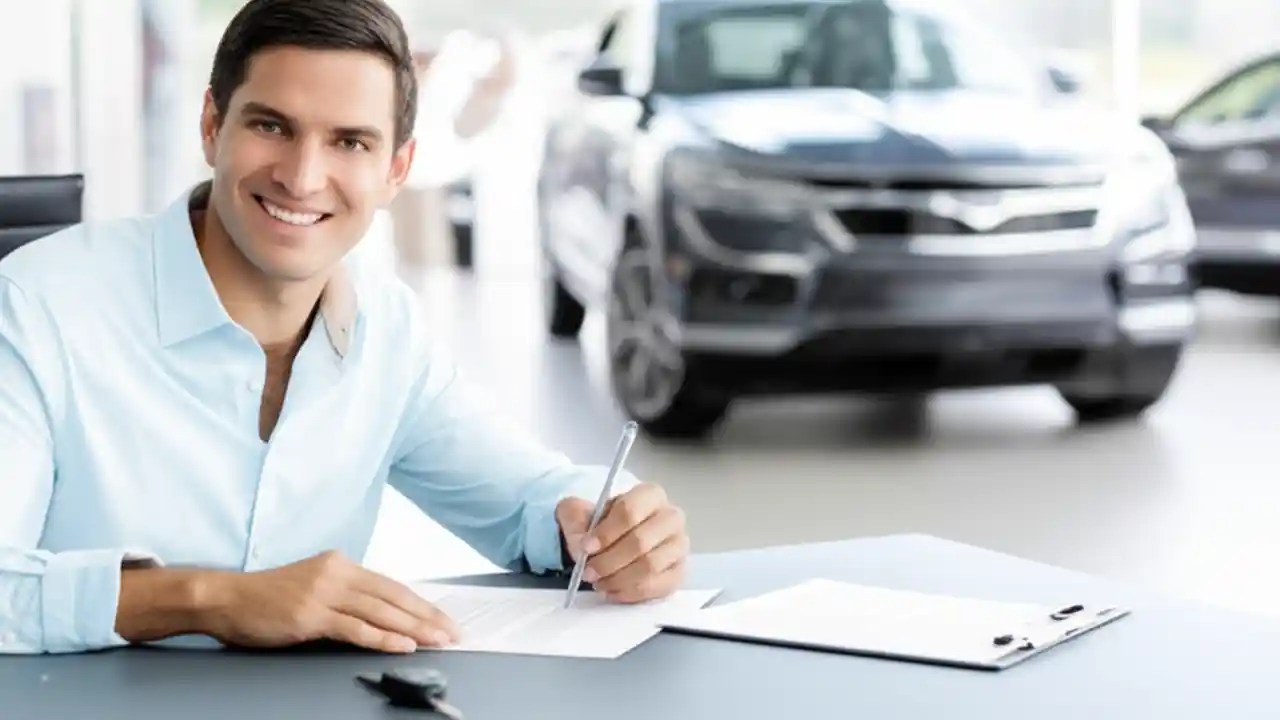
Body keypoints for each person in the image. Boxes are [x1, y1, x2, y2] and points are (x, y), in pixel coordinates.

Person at [0, 0, 689, 656]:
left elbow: (527, 500)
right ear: (212, 126)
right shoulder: (36, 306)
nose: (303, 178)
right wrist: (211, 600)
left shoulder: (385, 330)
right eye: (272, 127)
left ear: (396, 170)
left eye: (350, 142)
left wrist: (614, 526)